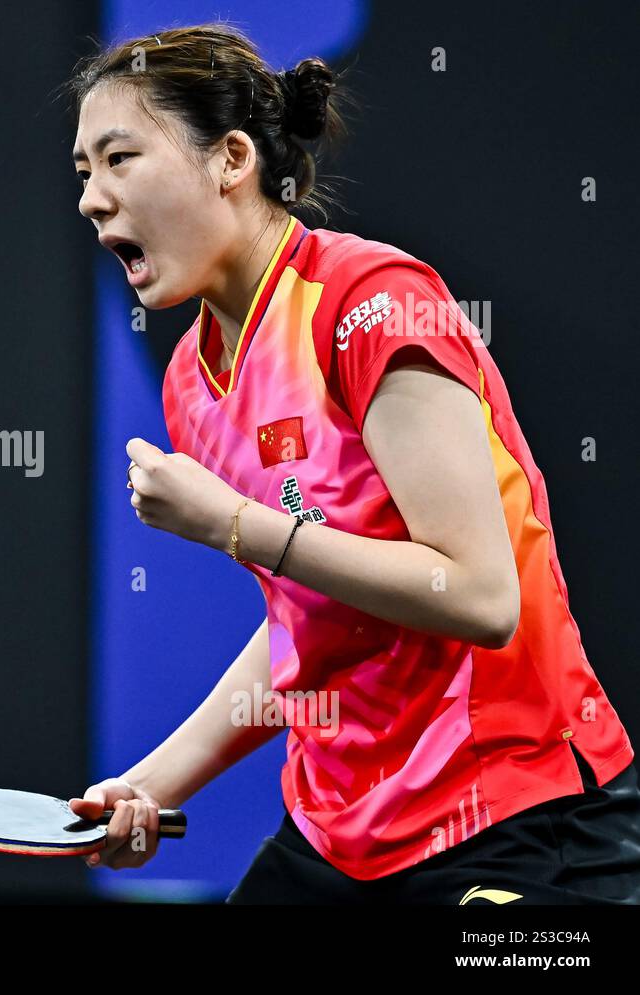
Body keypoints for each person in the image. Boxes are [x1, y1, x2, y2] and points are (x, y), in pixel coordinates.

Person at [64, 23, 640, 904]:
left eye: (119, 158)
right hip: (340, 834)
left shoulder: (372, 305)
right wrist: (153, 784)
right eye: (83, 173)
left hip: (515, 823)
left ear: (231, 158)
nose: (93, 200)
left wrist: (233, 524)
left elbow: (482, 597)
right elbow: (311, 621)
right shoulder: (194, 382)